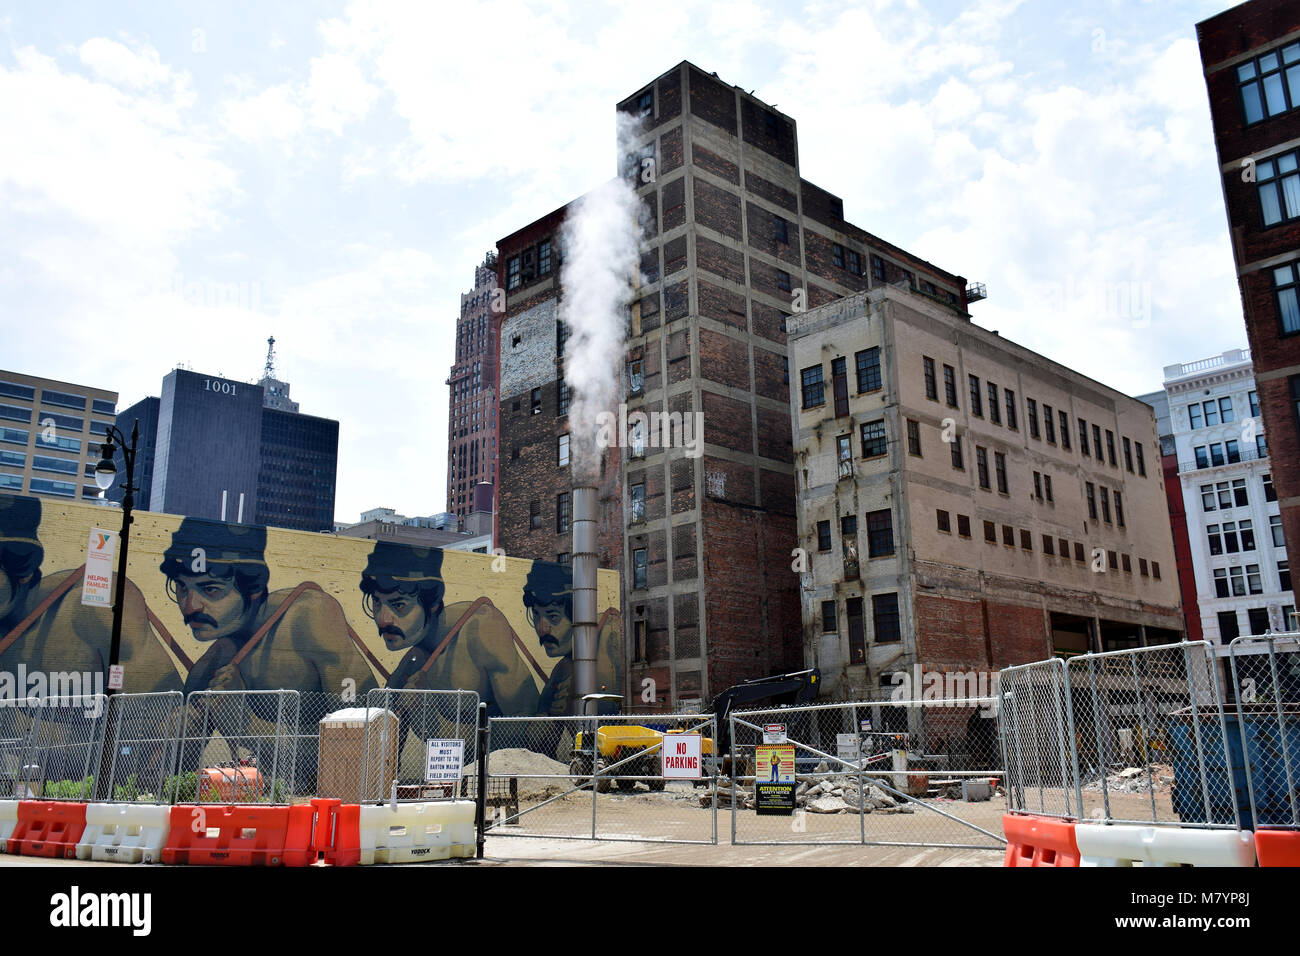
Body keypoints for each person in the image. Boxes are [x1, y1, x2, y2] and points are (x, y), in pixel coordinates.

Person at [160, 517, 379, 793]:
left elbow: (367, 739)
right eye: (181, 588)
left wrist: (247, 724)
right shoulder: (215, 662)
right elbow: (169, 772)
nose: (190, 606)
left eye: (210, 589)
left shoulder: (311, 617)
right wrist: (178, 735)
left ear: (251, 588)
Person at [359, 541, 539, 716]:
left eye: (398, 605)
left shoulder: (482, 628)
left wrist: (424, 712)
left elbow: (527, 730)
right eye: (376, 602)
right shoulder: (417, 655)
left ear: (433, 605)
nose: (382, 620)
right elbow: (381, 732)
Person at [522, 562, 623, 717]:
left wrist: (570, 707)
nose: (542, 629)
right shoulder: (563, 669)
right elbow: (536, 738)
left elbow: (605, 716)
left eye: (553, 616)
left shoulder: (607, 636)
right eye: (536, 615)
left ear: (578, 616)